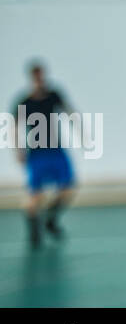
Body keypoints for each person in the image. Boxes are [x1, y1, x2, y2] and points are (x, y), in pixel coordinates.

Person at [12, 60, 77, 249]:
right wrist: (18, 150)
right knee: (35, 195)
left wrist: (81, 132)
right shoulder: (25, 102)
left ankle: (51, 220)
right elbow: (15, 126)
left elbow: (69, 111)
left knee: (68, 189)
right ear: (32, 78)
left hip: (56, 150)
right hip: (37, 153)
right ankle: (34, 232)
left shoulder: (53, 95)